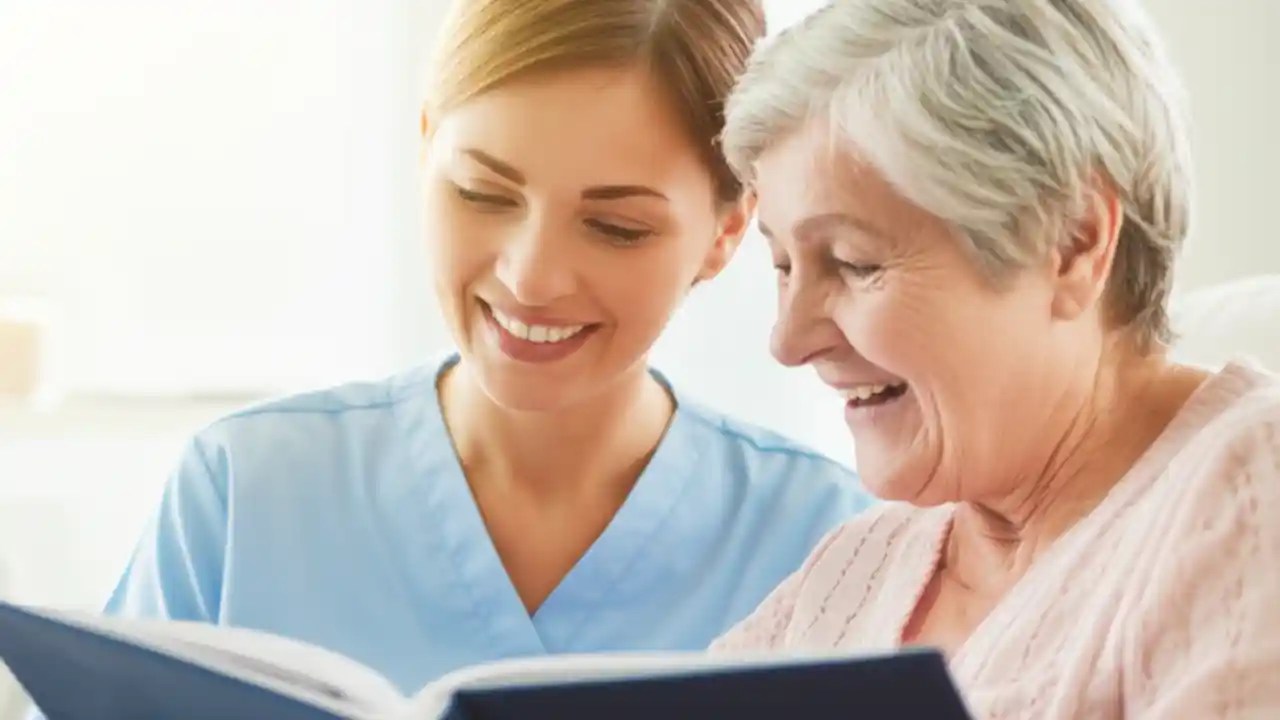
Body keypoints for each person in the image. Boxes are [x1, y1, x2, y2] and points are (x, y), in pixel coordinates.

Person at [83, 0, 872, 695]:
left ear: (727, 230)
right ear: (426, 146)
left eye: (615, 227)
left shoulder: (831, 546)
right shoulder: (242, 494)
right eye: (482, 193)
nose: (530, 278)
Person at [709, 0, 1280, 717]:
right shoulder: (856, 571)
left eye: (855, 263)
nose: (789, 340)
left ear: (1072, 242)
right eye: (784, 265)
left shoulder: (1249, 491)